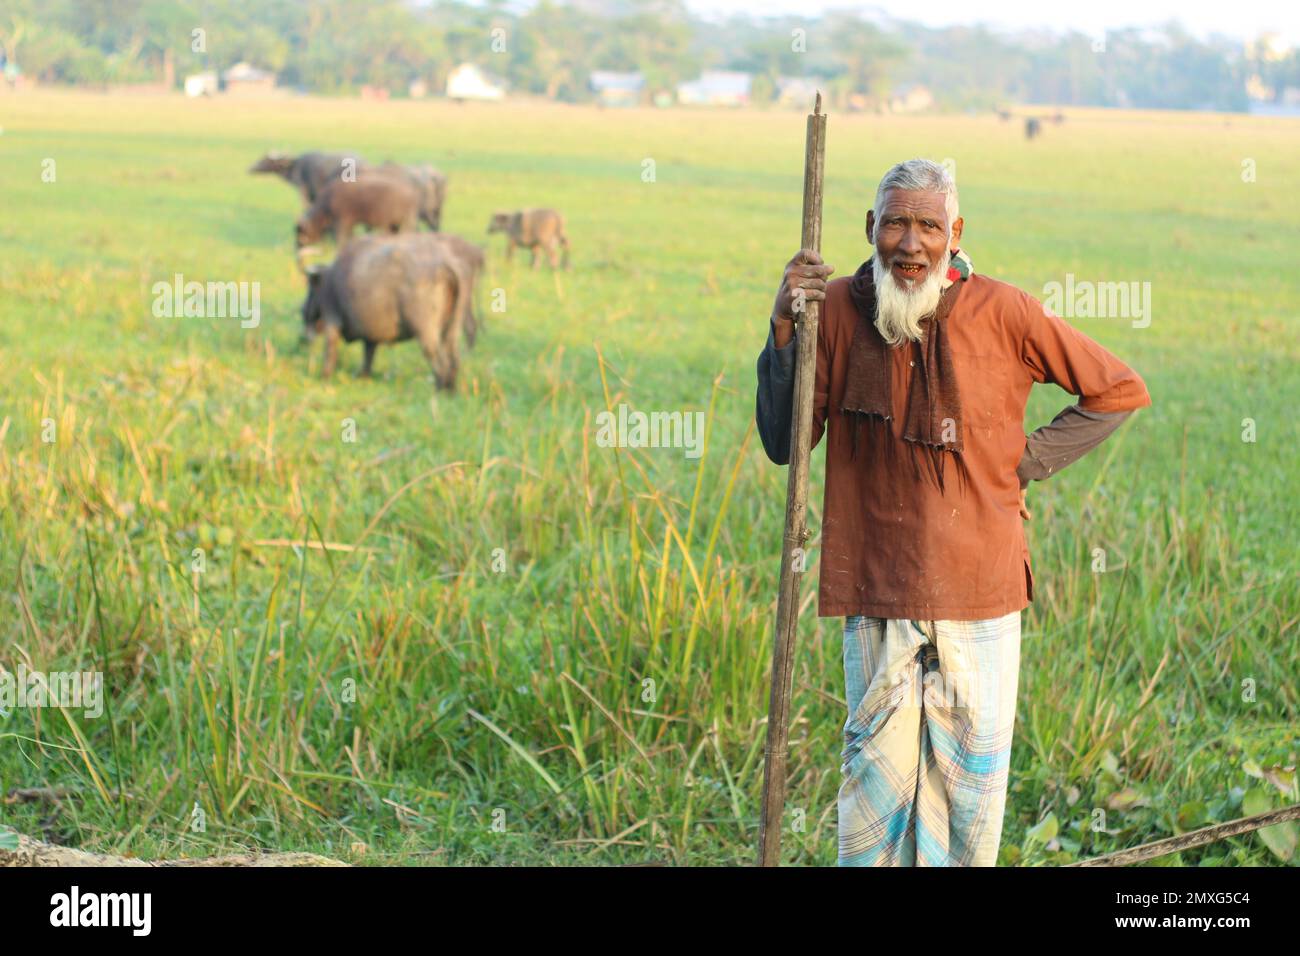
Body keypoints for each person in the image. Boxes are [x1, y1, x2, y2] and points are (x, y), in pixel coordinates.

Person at [754, 158, 1151, 866]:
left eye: (928, 226)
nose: (912, 244)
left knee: (969, 803)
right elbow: (787, 443)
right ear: (871, 229)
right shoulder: (839, 308)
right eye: (897, 224)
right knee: (875, 800)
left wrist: (1022, 462)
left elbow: (1116, 388)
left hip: (981, 595)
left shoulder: (1006, 311)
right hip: (876, 592)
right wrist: (785, 326)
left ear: (954, 234)